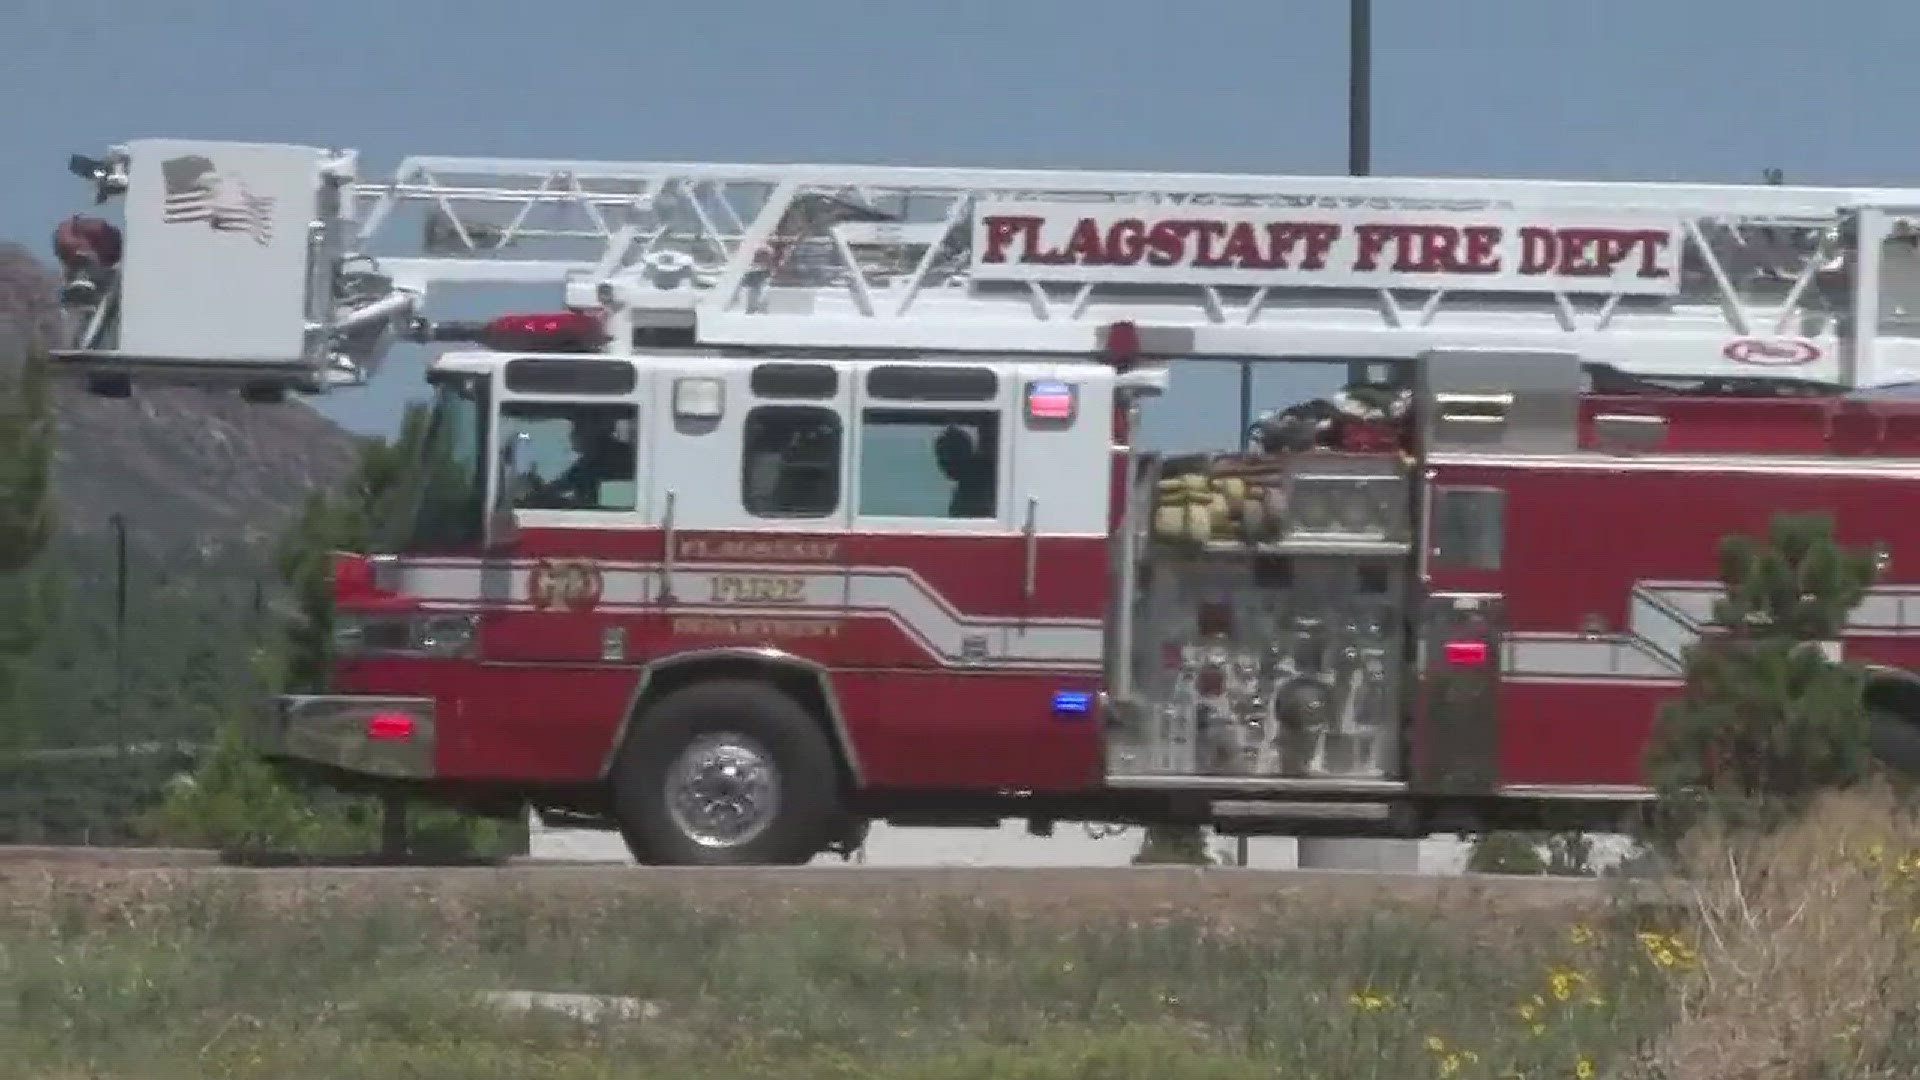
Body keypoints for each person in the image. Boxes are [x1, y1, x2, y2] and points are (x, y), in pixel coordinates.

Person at [528, 414, 634, 509]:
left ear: (595, 430)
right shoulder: (588, 461)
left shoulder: (617, 458)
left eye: (579, 428)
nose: (572, 435)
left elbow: (595, 504)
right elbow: (562, 485)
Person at [933, 424, 995, 518]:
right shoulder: (966, 484)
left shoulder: (979, 484)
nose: (943, 466)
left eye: (946, 460)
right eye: (940, 459)